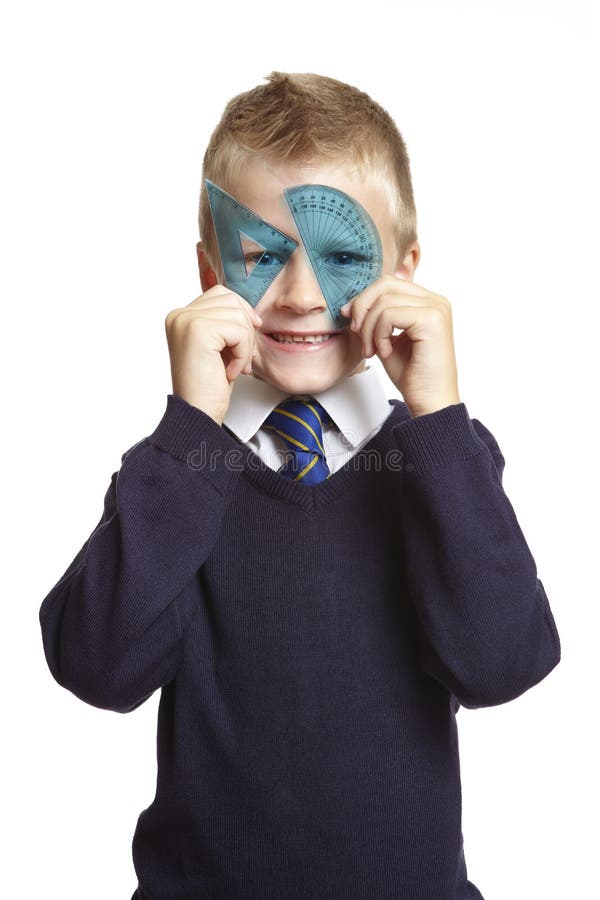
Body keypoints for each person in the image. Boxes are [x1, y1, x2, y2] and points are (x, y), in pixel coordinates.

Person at [38, 71, 561, 900]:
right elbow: (97, 667)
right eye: (259, 254)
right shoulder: (181, 473)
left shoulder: (441, 460)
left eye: (343, 254)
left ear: (407, 271)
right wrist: (190, 430)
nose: (302, 295)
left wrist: (439, 416)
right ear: (210, 272)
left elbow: (502, 665)